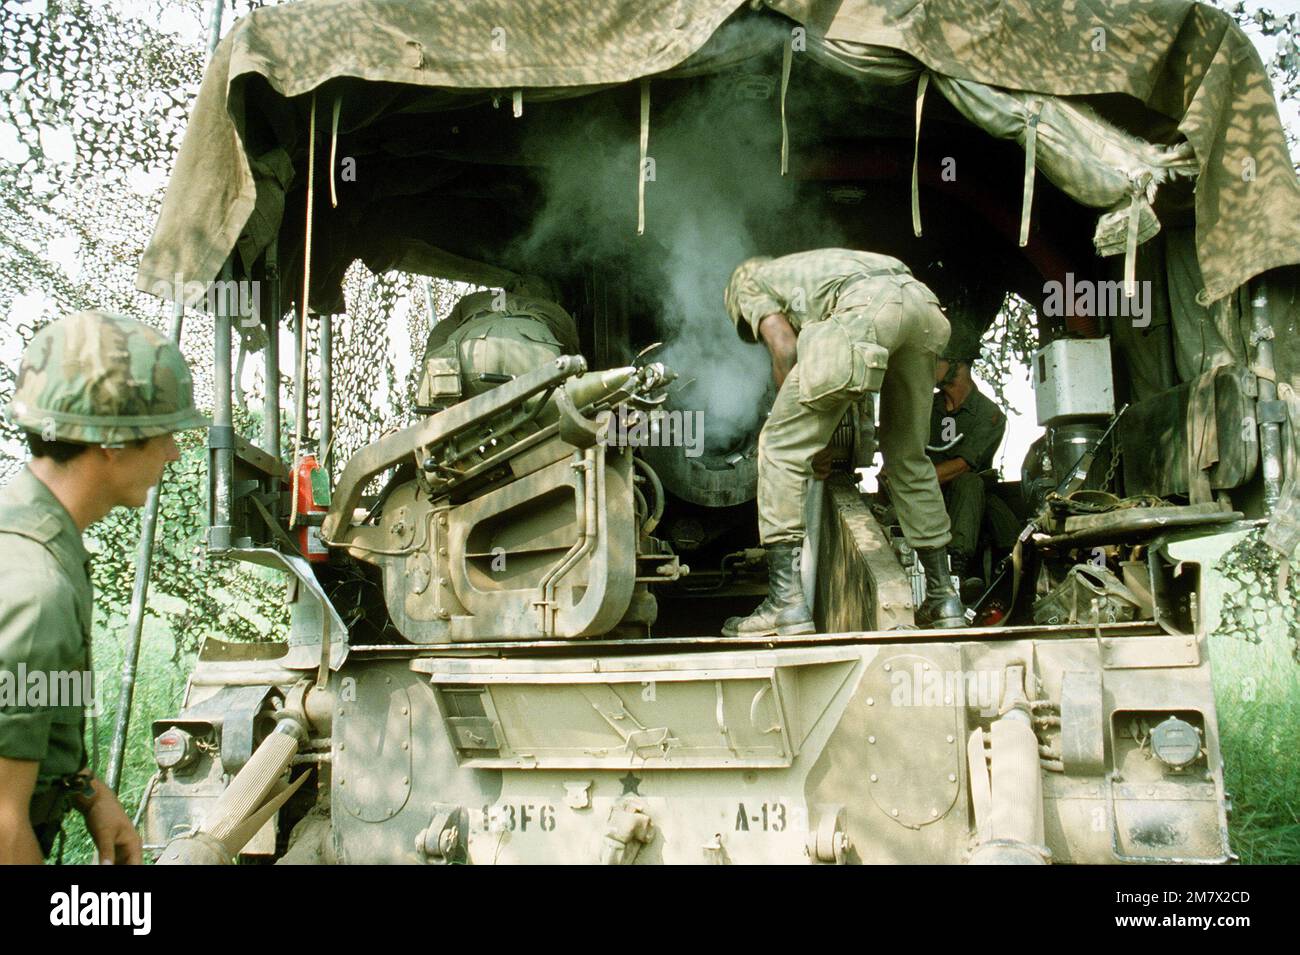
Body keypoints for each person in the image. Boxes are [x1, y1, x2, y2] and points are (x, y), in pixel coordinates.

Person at [0, 310, 207, 864]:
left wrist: (88, 791)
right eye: (164, 433)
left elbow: (36, 700)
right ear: (113, 441)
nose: (173, 453)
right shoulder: (36, 589)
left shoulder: (43, 548)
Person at [721, 249, 967, 636]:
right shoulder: (818, 266)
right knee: (908, 456)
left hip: (867, 309)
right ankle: (943, 597)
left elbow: (785, 348)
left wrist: (813, 443)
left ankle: (785, 604)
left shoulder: (748, 281)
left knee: (780, 445)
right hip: (922, 307)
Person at [926, 328, 1015, 597]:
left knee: (969, 482)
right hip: (928, 496)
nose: (928, 366)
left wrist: (914, 479)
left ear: (958, 365)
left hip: (966, 499)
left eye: (936, 360)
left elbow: (962, 465)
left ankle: (956, 568)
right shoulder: (926, 407)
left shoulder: (988, 414)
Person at [415, 275, 580, 409]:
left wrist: (429, 396)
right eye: (552, 292)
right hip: (536, 361)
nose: (554, 298)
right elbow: (574, 362)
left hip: (476, 357)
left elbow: (437, 340)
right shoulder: (550, 307)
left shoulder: (476, 299)